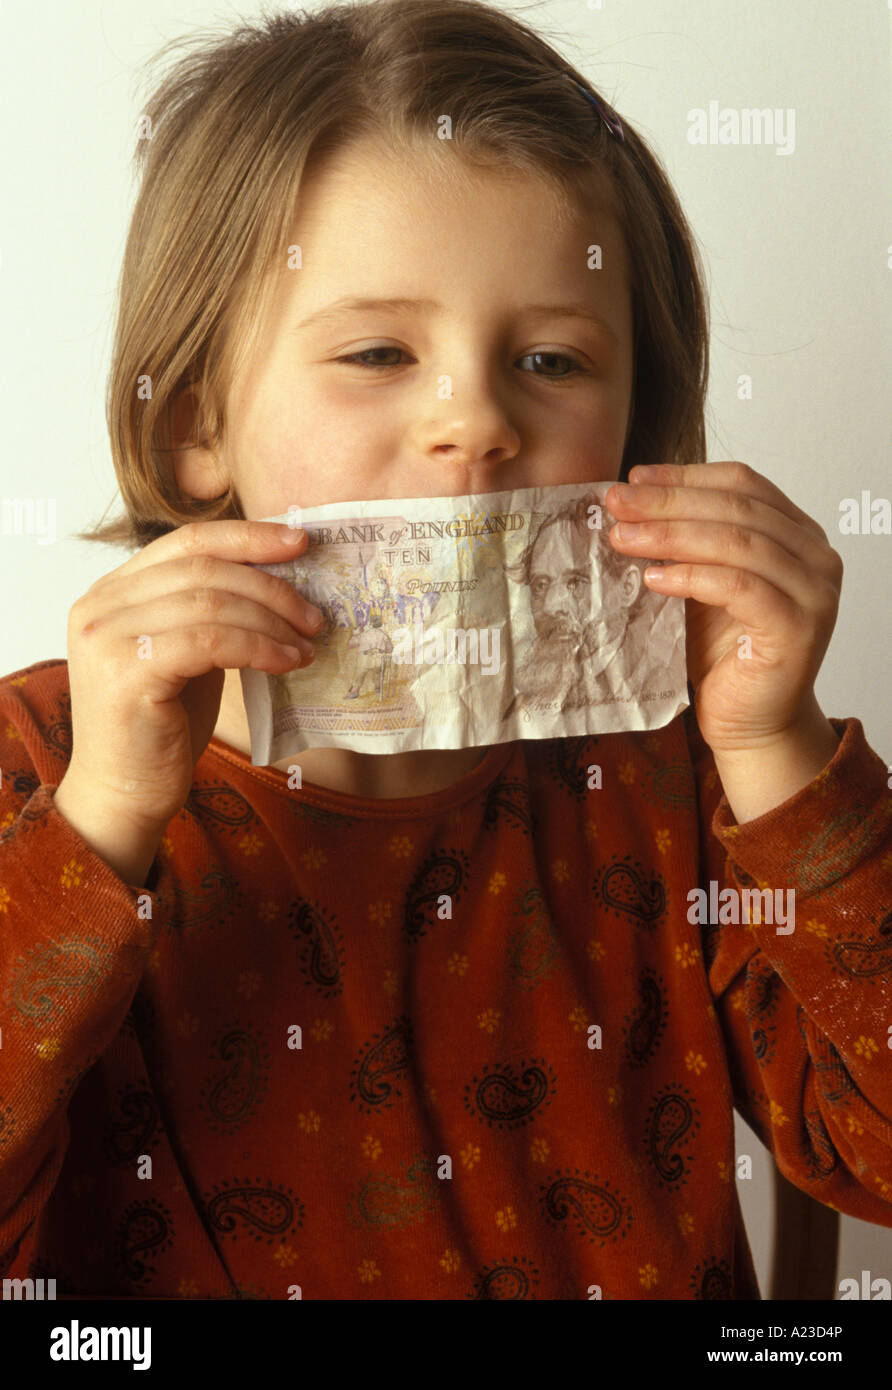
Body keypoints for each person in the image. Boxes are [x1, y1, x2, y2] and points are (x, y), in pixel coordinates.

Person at [1, 0, 889, 1301]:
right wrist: (108, 818)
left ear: (636, 435)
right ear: (197, 427)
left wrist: (778, 747)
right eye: (376, 351)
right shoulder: (43, 765)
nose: (473, 419)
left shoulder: (685, 768)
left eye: (550, 358)